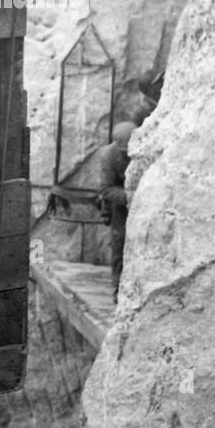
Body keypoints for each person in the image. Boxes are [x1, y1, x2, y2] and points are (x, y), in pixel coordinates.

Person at [96, 121, 136, 301]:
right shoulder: (108, 156)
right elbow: (107, 189)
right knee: (119, 240)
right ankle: (117, 285)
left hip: (139, 198)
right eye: (123, 152)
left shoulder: (143, 149)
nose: (127, 155)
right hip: (121, 203)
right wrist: (131, 197)